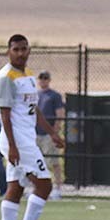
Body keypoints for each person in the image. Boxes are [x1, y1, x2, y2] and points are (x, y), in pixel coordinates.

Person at [0, 34, 65, 220]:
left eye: (24, 49)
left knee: (15, 188)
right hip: (18, 142)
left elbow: (33, 109)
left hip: (26, 139)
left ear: (29, 51)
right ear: (8, 51)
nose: (20, 53)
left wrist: (52, 132)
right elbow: (4, 114)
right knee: (44, 185)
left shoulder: (29, 75)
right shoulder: (6, 78)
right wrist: (13, 146)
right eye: (16, 49)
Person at [36, 70, 65, 199]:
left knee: (52, 162)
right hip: (36, 133)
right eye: (41, 78)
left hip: (48, 134)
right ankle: (39, 187)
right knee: (37, 162)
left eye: (45, 78)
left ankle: (57, 188)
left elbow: (60, 114)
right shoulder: (35, 95)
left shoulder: (55, 96)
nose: (43, 81)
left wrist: (54, 132)